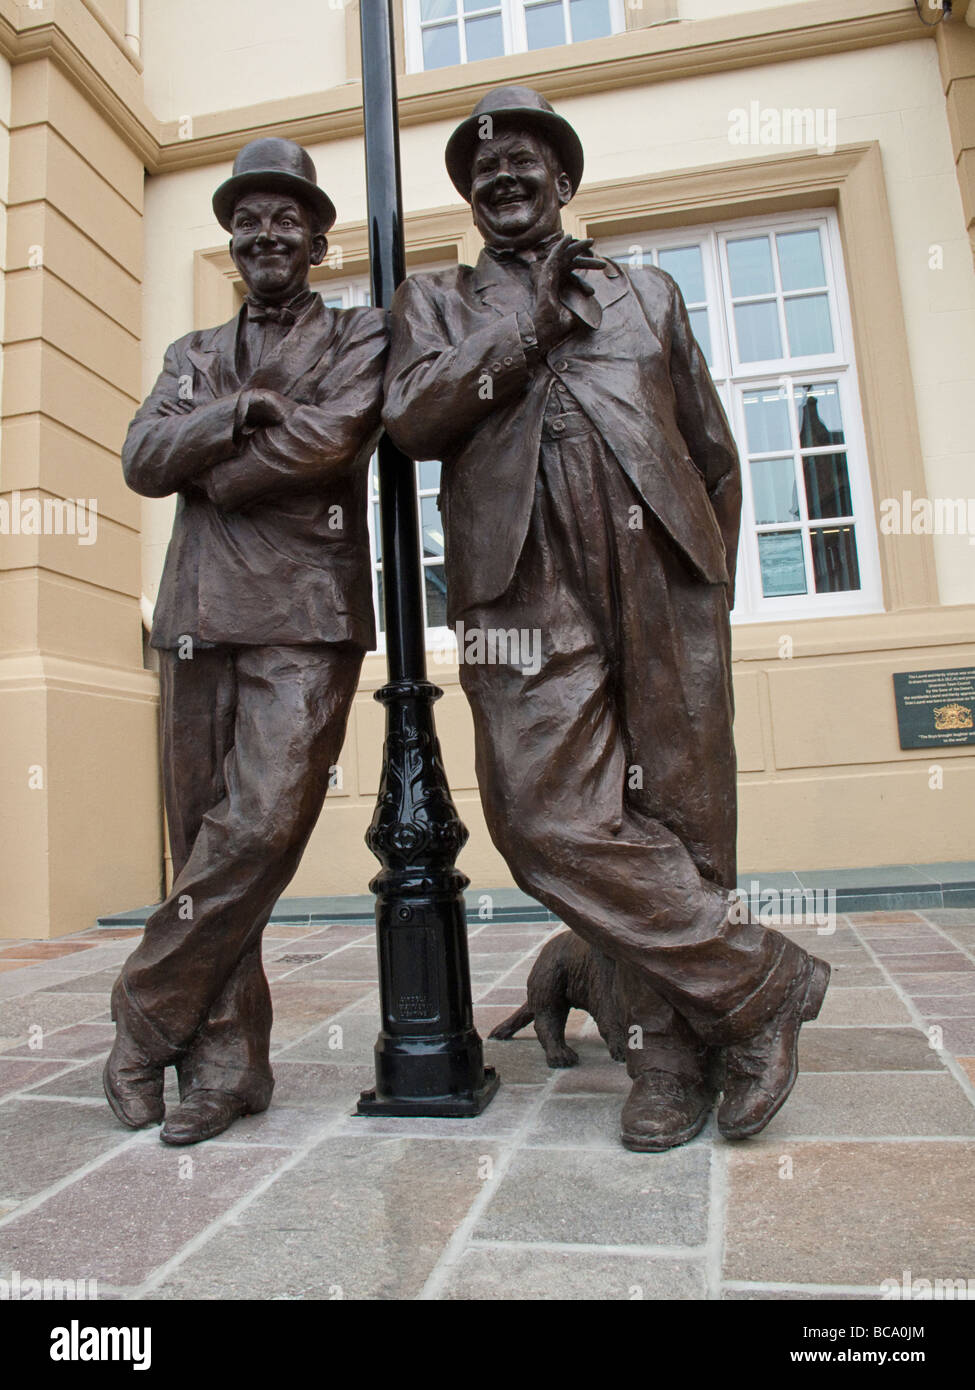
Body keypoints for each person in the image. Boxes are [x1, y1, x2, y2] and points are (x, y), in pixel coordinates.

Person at [382, 88, 829, 1152]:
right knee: (549, 821)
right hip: (522, 581)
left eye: (528, 157)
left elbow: (713, 448)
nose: (506, 175)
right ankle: (763, 980)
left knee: (681, 813)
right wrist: (529, 326)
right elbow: (412, 421)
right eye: (485, 166)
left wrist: (701, 578)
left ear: (565, 178)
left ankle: (667, 1056)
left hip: (660, 568)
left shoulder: (650, 293)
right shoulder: (436, 303)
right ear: (468, 194)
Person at [104, 138, 387, 1145]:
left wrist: (216, 462)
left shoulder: (360, 334)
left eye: (285, 217)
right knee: (206, 845)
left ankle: (141, 1018)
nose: (266, 233)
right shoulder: (192, 355)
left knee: (260, 826)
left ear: (318, 236)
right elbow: (143, 457)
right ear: (233, 238)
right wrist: (242, 408)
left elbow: (333, 440)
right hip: (194, 618)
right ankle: (227, 1061)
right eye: (247, 218)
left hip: (306, 615)